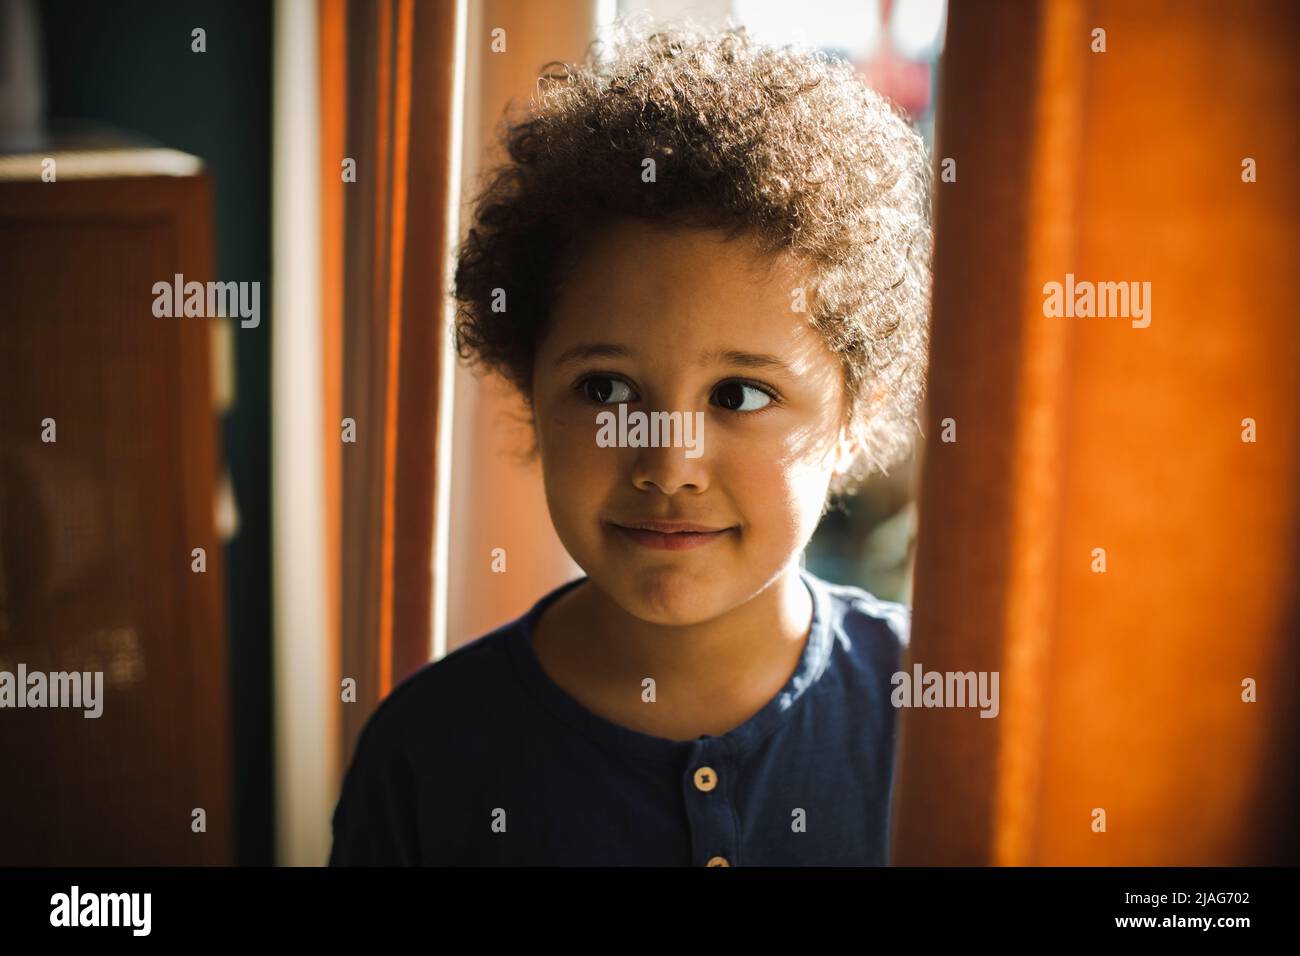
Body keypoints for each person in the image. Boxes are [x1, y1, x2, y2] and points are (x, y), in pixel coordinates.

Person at [329, 18, 932, 866]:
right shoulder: (427, 755)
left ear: (854, 413)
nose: (669, 464)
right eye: (607, 390)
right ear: (529, 390)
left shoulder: (944, 721)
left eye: (741, 394)